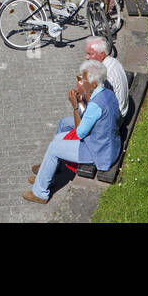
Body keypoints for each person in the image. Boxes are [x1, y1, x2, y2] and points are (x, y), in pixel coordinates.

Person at [24, 60, 121, 204]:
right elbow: (89, 117)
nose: (79, 82)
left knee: (54, 147)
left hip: (99, 153)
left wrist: (75, 106)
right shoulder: (106, 92)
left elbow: (80, 132)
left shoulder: (96, 104)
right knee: (64, 123)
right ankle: (49, 171)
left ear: (93, 85)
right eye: (79, 78)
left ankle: (40, 193)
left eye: (82, 80)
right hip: (108, 142)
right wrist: (81, 102)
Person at [81, 38, 129, 118]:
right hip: (122, 108)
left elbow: (97, 102)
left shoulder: (104, 76)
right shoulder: (113, 61)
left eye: (90, 54)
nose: (87, 57)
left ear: (102, 54)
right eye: (86, 53)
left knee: (66, 122)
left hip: (114, 118)